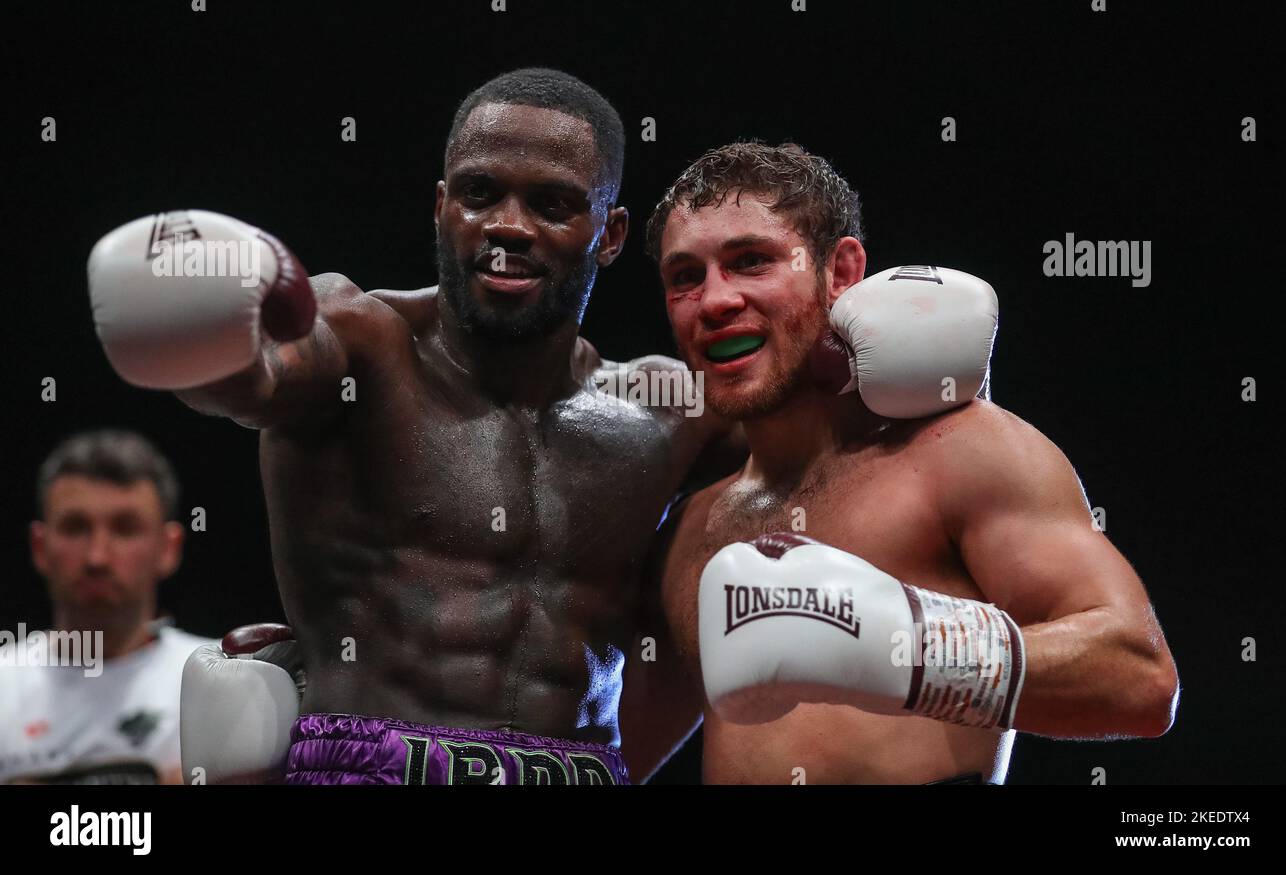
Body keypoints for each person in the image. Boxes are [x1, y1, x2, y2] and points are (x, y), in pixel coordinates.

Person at [87, 71, 991, 785]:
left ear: (607, 233)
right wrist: (201, 323)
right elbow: (254, 375)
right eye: (480, 193)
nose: (507, 227)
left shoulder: (666, 413)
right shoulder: (361, 342)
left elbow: (838, 428)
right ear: (439, 204)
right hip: (370, 765)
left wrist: (914, 352)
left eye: (553, 203)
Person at [627, 142, 1180, 784]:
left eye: (751, 262)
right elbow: (614, 760)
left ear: (841, 273)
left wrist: (909, 653)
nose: (716, 302)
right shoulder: (689, 535)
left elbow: (1139, 677)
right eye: (685, 277)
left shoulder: (958, 452)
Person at [0, 430, 213, 784]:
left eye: (125, 529)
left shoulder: (220, 683)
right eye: (75, 528)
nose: (97, 556)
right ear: (40, 546)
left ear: (168, 547)